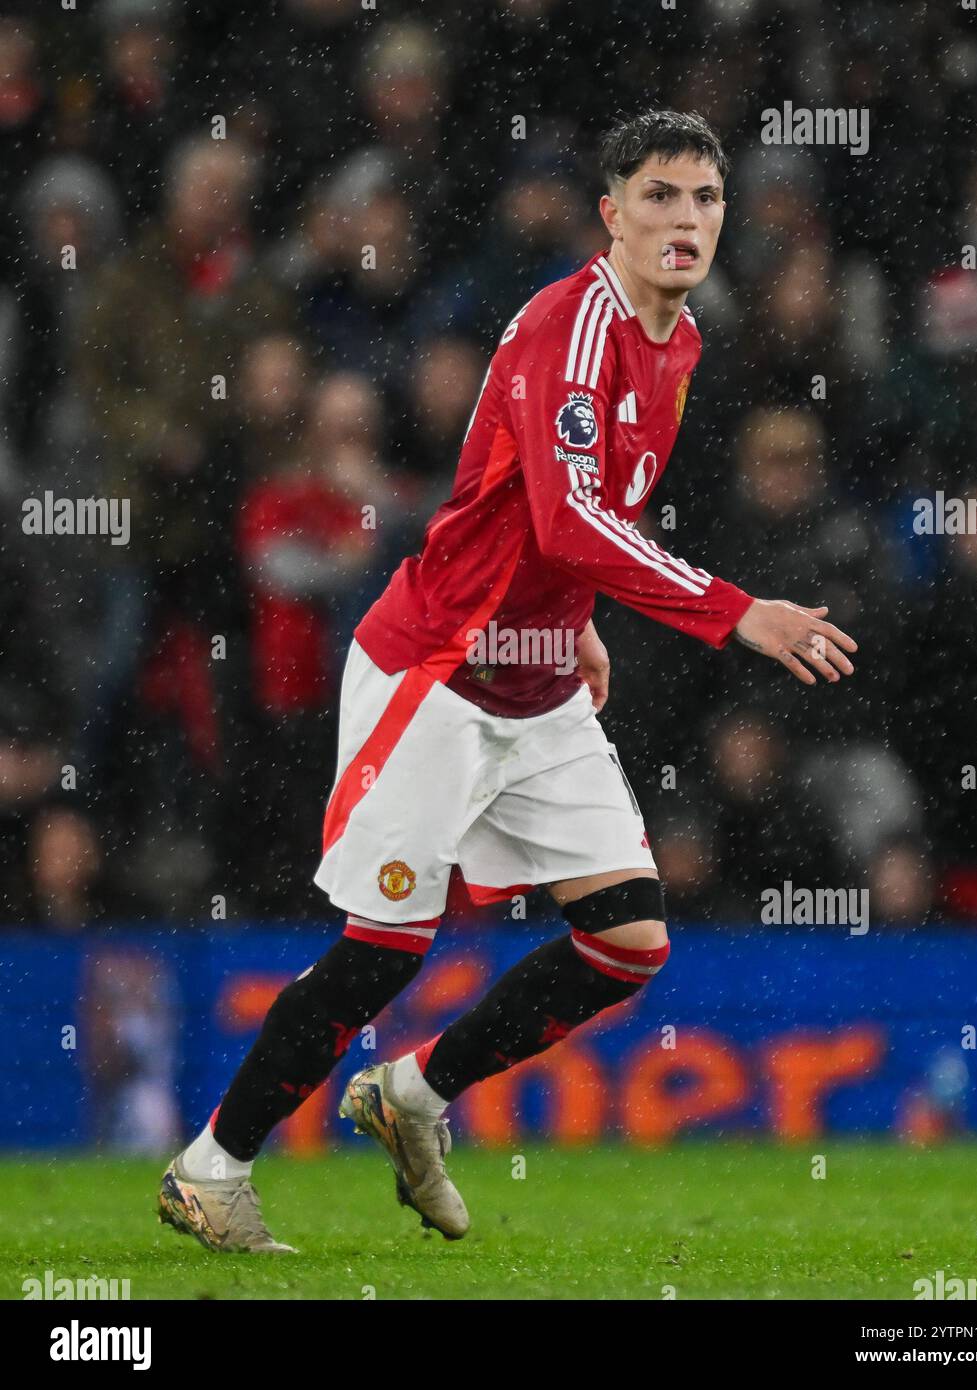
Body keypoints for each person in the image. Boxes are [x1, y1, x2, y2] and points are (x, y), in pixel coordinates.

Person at [158, 109, 857, 1253]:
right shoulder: (569, 328)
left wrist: (570, 621)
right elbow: (572, 515)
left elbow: (578, 516)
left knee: (627, 940)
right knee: (384, 945)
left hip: (536, 682)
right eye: (659, 198)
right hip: (436, 664)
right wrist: (738, 611)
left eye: (705, 200)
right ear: (610, 215)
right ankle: (210, 1166)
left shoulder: (676, 342)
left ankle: (415, 1093)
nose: (685, 221)